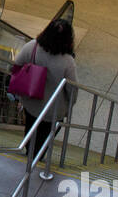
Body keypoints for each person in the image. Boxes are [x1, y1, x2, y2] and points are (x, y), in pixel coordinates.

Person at [12, 18, 77, 155]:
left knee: (30, 127)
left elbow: (16, 66)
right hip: (54, 109)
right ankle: (36, 156)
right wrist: (69, 107)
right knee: (46, 135)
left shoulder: (32, 46)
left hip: (31, 102)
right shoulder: (68, 61)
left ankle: (29, 151)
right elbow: (72, 89)